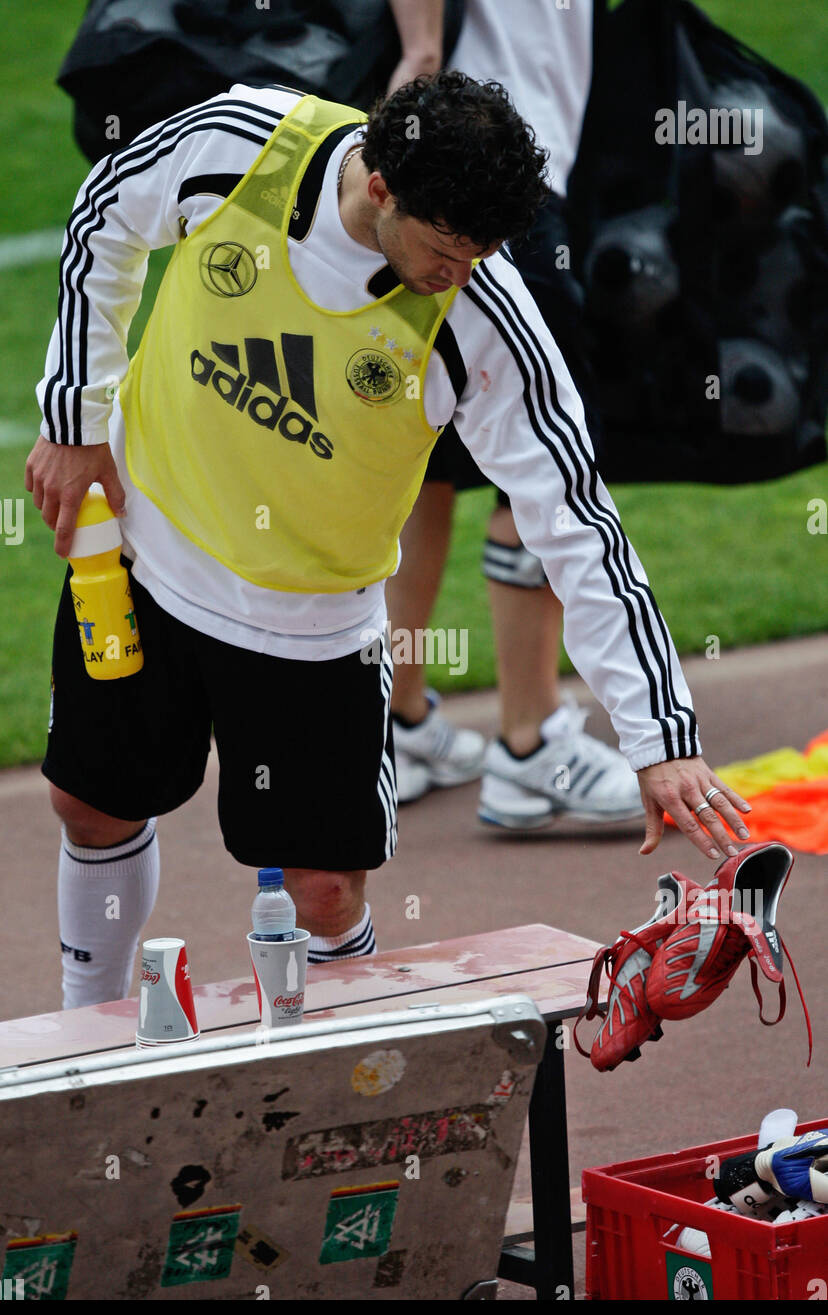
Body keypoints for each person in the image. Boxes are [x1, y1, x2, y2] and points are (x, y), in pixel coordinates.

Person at [26, 71, 751, 1011]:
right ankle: (86, 1036)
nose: (465, 275)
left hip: (313, 630)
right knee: (93, 805)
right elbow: (105, 213)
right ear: (380, 187)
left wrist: (660, 736)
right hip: (145, 558)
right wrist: (75, 418)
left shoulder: (487, 319)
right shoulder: (246, 147)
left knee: (324, 894)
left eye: (487, 252)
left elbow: (576, 520)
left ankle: (329, 1095)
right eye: (447, 251)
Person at [384, 0, 628, 828]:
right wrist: (421, 49)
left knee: (422, 460)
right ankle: (529, 743)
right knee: (546, 453)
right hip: (496, 183)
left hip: (482, 173)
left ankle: (396, 721)